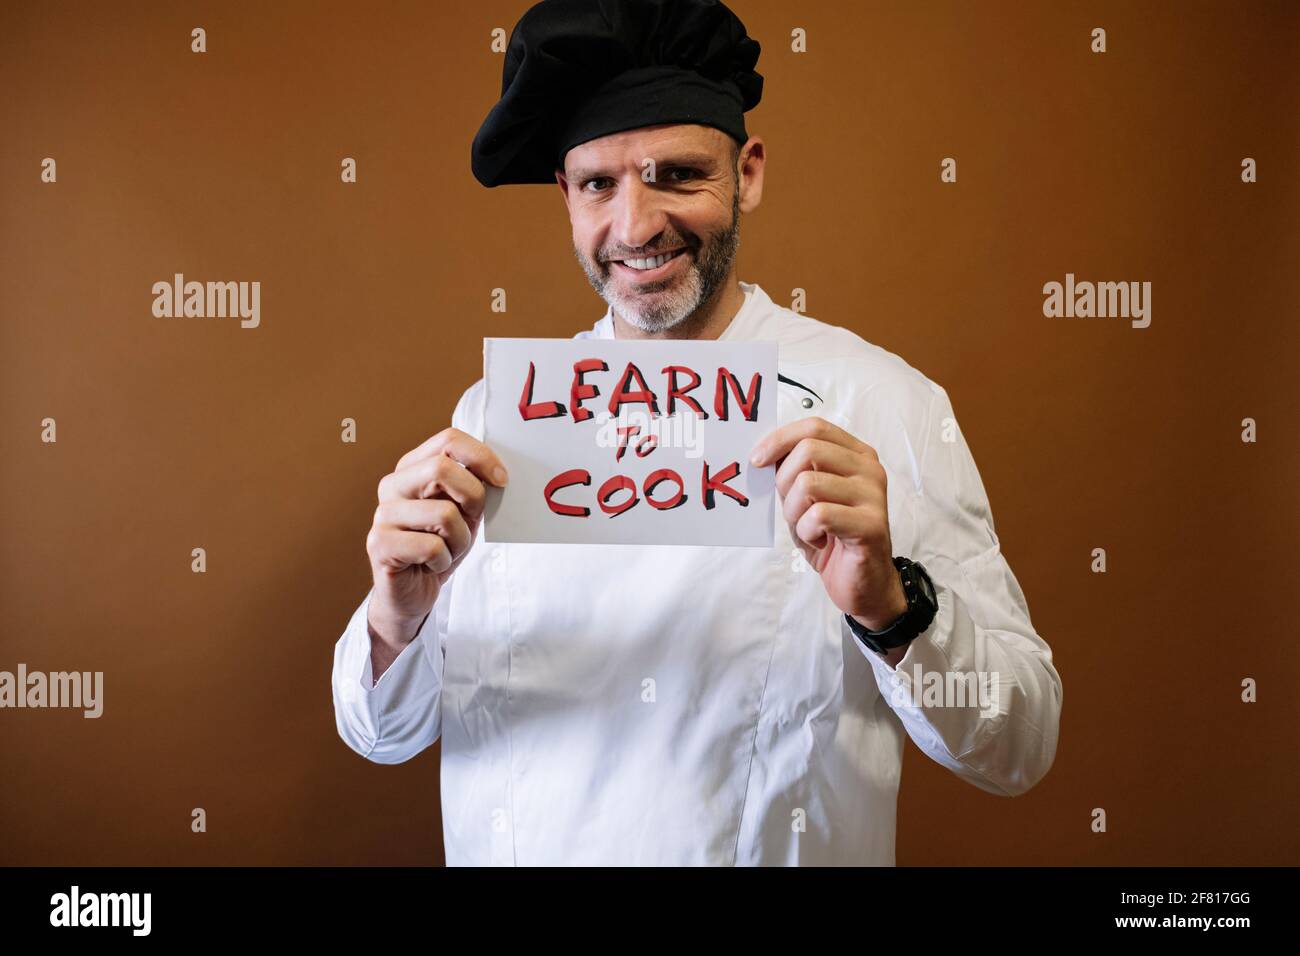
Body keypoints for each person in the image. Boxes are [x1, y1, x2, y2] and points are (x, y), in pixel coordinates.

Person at [331, 0, 1062, 865]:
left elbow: (1020, 744)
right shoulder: (496, 421)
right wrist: (394, 617)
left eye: (678, 175)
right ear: (566, 195)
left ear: (747, 173)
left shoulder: (879, 402)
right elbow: (380, 736)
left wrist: (893, 609)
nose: (637, 227)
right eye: (600, 183)